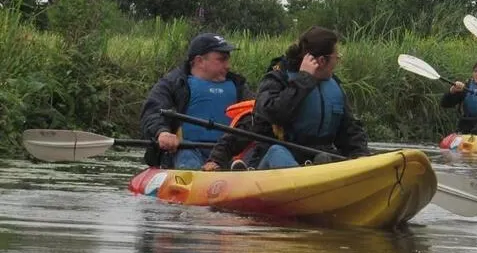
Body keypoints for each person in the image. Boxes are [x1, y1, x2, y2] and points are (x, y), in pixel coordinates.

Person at [238, 26, 371, 170]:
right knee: (277, 152)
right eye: (336, 58)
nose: (337, 62)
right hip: (276, 161)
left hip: (319, 158)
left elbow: (349, 130)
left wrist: (361, 155)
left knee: (331, 158)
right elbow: (274, 114)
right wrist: (303, 81)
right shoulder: (277, 79)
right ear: (321, 61)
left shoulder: (335, 86)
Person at [139, 33, 250, 170]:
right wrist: (162, 132)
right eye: (222, 60)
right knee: (187, 159)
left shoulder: (239, 87)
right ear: (199, 61)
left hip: (228, 153)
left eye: (228, 60)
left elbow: (254, 115)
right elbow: (152, 110)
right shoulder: (174, 84)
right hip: (186, 150)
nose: (228, 66)